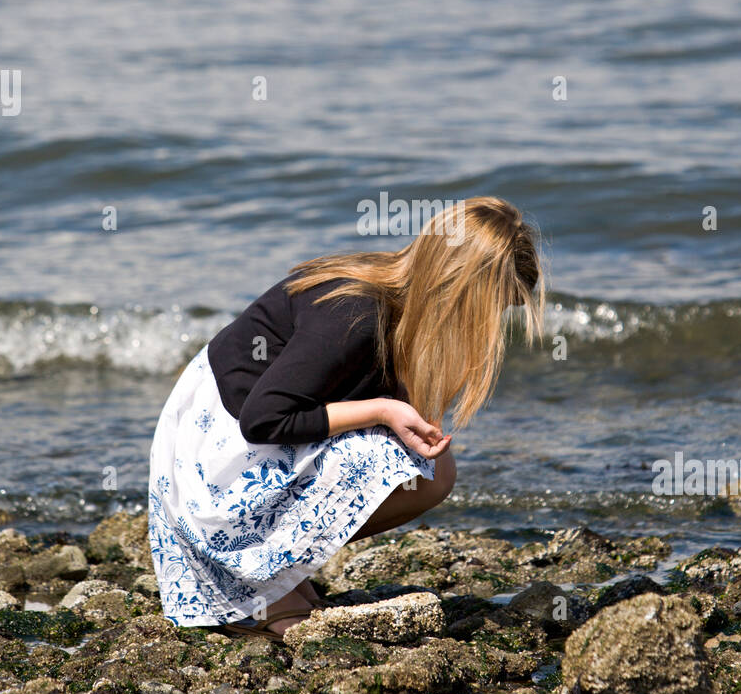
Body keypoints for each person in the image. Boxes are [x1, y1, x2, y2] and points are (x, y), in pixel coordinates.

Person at [148, 196, 544, 640]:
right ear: (460, 291)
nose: (490, 326)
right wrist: (381, 409)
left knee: (432, 470)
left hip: (239, 443)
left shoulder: (393, 292)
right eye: (492, 308)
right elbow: (263, 419)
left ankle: (279, 574)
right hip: (208, 463)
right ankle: (259, 581)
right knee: (394, 464)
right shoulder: (354, 314)